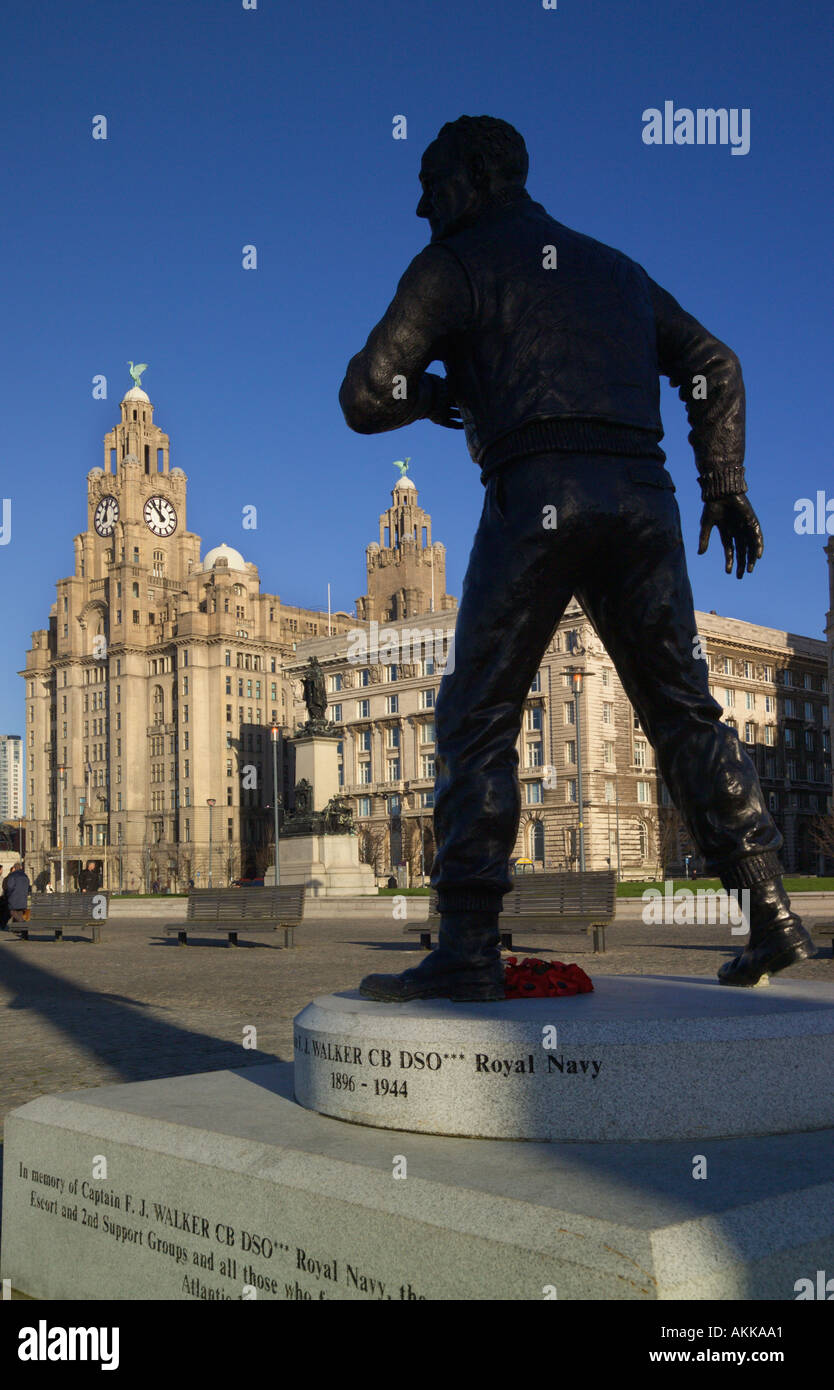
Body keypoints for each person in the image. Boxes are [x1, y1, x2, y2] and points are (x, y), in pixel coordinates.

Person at [340, 114, 815, 1001]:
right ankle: (772, 917)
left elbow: (365, 395)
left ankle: (469, 947)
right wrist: (724, 484)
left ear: (474, 179)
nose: (419, 205)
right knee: (683, 711)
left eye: (430, 183)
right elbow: (716, 361)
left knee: (475, 714)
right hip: (644, 499)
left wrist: (439, 390)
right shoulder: (616, 268)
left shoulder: (454, 265)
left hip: (538, 494)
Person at [3, 862, 31, 927]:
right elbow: (28, 886)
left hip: (14, 897)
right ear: (21, 868)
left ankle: (23, 923)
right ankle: (20, 929)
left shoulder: (12, 875)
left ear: (14, 868)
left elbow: (10, 887)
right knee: (20, 912)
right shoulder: (25, 875)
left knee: (12, 911)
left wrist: (8, 894)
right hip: (23, 897)